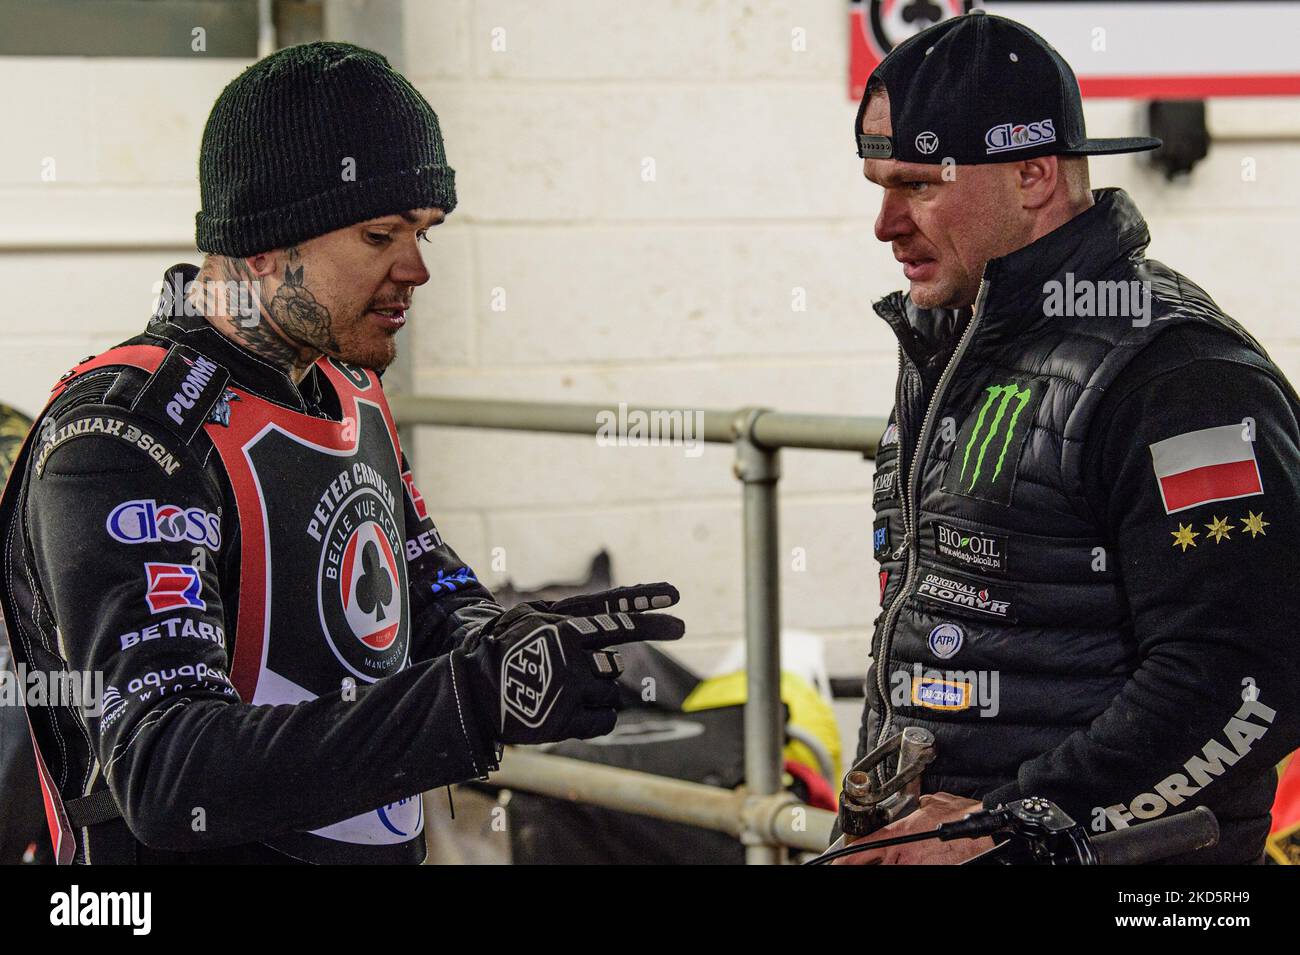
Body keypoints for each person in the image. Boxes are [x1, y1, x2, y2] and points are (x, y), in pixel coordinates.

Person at [0, 42, 683, 865]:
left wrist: (517, 642)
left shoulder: (349, 387)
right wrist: (473, 699)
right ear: (262, 241)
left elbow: (422, 594)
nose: (417, 269)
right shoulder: (123, 435)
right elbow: (169, 770)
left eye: (424, 233)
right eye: (379, 234)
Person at [844, 11, 1300, 864]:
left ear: (1033, 174)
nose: (885, 222)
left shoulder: (1180, 375)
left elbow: (1248, 677)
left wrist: (1010, 828)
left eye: (918, 184)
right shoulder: (948, 343)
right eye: (879, 183)